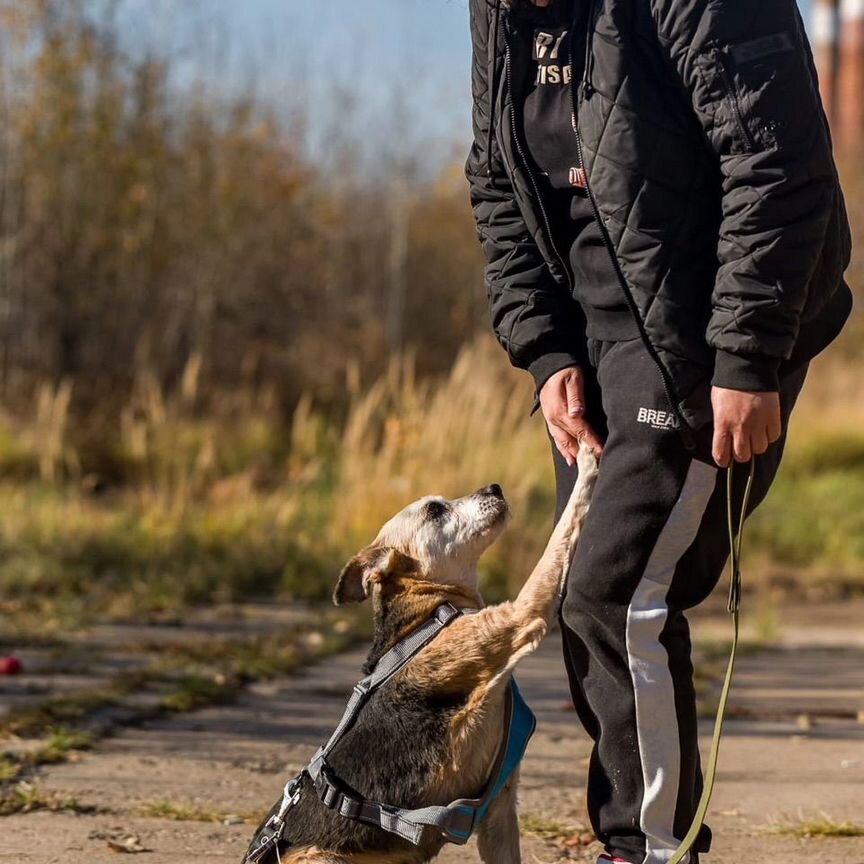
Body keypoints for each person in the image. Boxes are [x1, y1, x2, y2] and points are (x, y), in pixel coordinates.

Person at [465, 0, 852, 862]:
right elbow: (496, 178)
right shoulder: (498, 12)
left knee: (618, 592)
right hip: (595, 334)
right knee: (580, 601)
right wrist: (546, 350)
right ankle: (636, 841)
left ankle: (648, 849)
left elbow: (778, 166)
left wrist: (747, 359)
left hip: (704, 332)